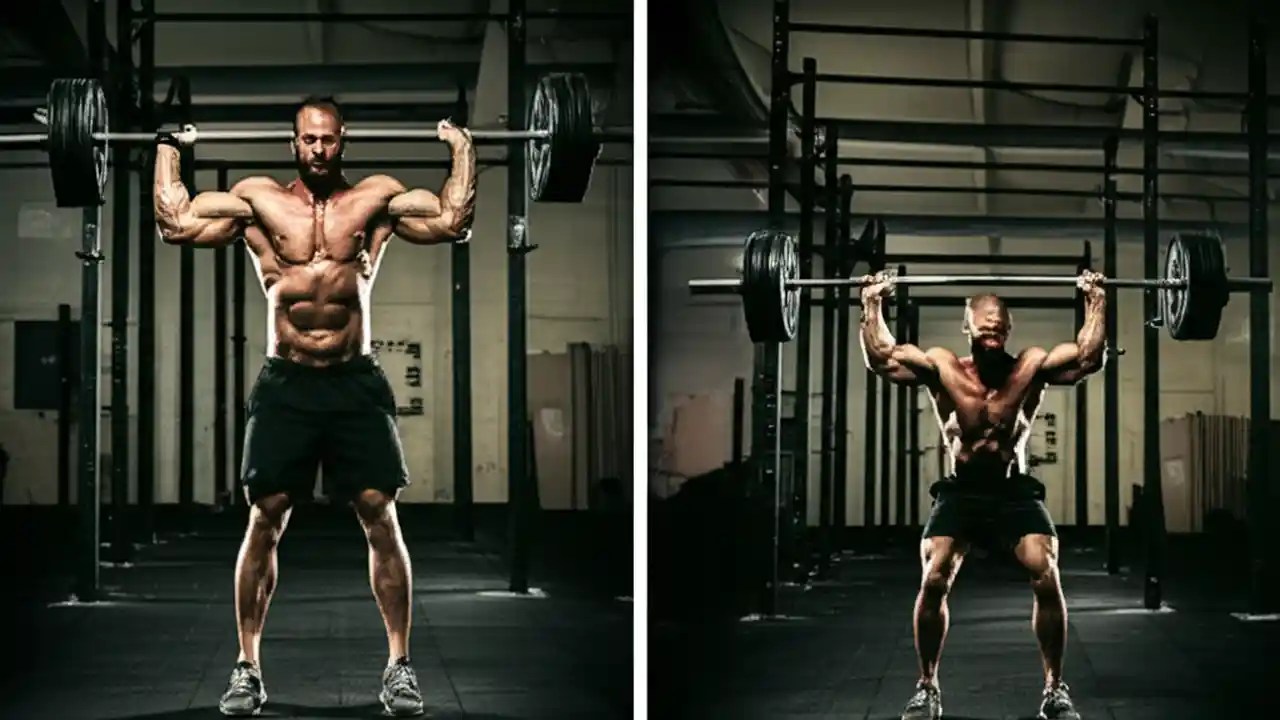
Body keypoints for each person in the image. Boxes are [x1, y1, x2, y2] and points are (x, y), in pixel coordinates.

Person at [151, 96, 476, 718]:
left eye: (328, 139)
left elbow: (454, 219)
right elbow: (176, 223)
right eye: (309, 139)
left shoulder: (376, 199)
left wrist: (460, 144)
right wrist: (169, 144)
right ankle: (247, 666)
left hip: (355, 382)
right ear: (292, 142)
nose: (319, 149)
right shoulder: (257, 201)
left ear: (343, 139)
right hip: (287, 383)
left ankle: (399, 666)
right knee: (265, 515)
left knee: (381, 514)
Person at [858, 269, 1106, 720]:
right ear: (967, 326)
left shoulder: (1030, 366)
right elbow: (881, 359)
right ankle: (926, 686)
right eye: (983, 321)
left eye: (999, 323)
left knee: (1044, 566)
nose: (992, 326)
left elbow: (1088, 358)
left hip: (1013, 489)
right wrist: (872, 303)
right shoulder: (942, 366)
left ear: (1008, 329)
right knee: (934, 576)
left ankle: (1055, 688)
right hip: (963, 489)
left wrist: (1096, 300)